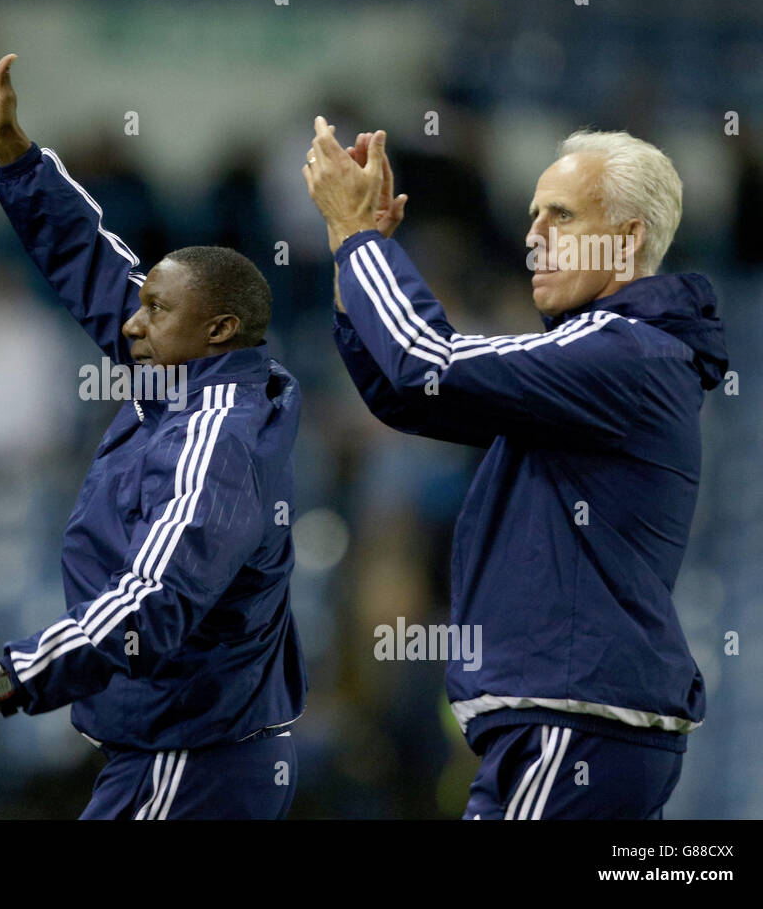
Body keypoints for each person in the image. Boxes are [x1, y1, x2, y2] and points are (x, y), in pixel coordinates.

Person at [0, 54, 307, 820]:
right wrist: (13, 152)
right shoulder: (190, 377)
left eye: (154, 310)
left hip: (189, 756)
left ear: (216, 329)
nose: (131, 322)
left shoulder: (217, 437)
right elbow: (88, 257)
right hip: (179, 748)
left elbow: (150, 606)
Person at [304, 120, 728, 819]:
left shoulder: (621, 352)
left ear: (625, 239)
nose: (533, 236)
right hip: (566, 725)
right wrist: (352, 252)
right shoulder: (603, 358)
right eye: (532, 215)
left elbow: (426, 363)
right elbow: (405, 395)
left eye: (560, 215)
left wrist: (359, 238)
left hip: (574, 723)